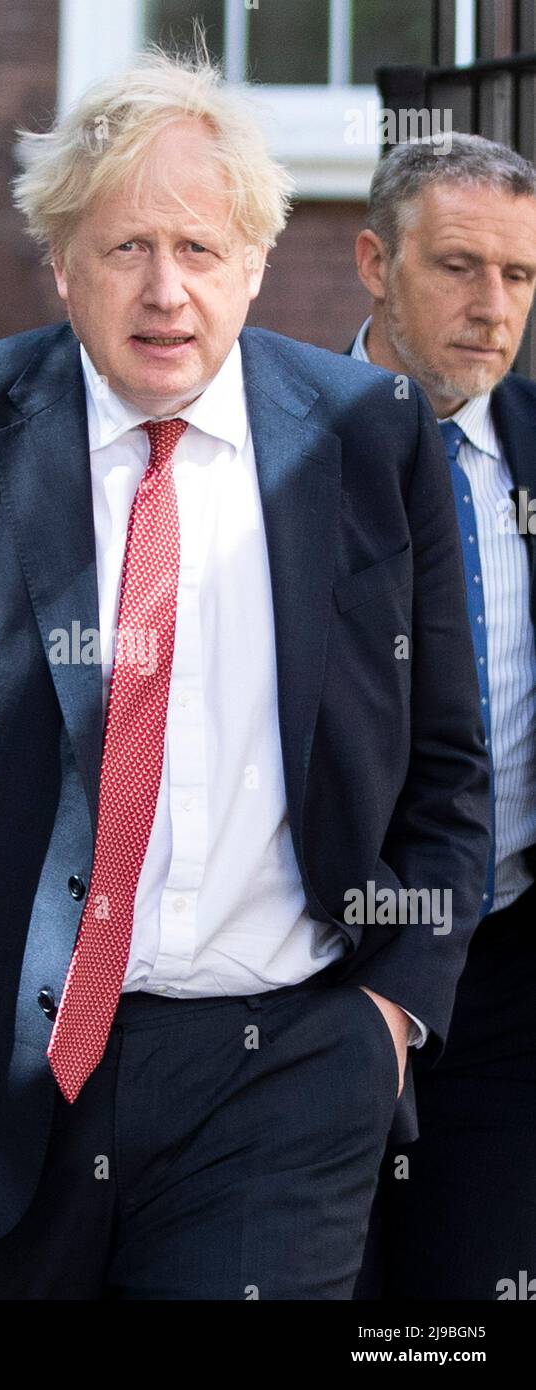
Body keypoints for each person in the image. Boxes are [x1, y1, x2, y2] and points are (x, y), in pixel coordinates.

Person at [0, 45, 490, 1301]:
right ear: (59, 262)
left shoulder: (370, 439)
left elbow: (449, 771)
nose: (165, 289)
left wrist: (389, 1011)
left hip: (282, 1065)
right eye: (124, 247)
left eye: (197, 246)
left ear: (252, 258)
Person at [349, 131, 536, 1301]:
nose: (490, 305)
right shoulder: (279, 442)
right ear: (374, 261)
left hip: (507, 968)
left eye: (516, 275)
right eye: (457, 266)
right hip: (320, 973)